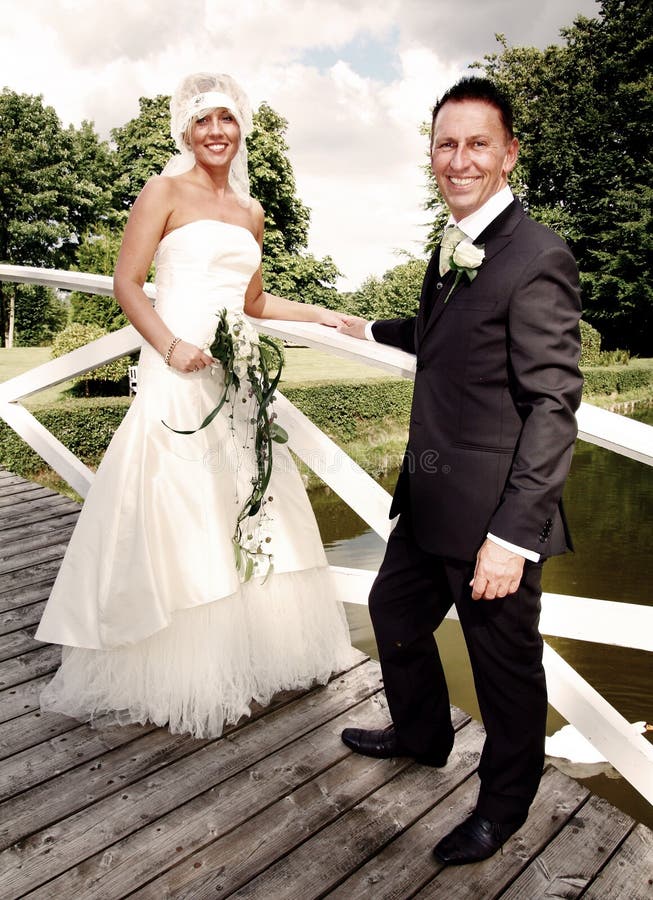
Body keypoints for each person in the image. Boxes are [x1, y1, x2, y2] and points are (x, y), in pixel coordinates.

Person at [35, 72, 356, 739]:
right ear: (185, 129)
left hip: (235, 378)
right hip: (178, 369)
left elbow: (254, 301)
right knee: (179, 504)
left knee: (245, 502)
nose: (216, 131)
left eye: (227, 119)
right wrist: (171, 346)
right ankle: (176, 666)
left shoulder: (252, 211)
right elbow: (128, 283)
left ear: (241, 129)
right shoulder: (163, 191)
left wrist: (323, 314)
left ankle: (246, 654)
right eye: (204, 120)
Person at [337, 76, 583, 865]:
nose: (459, 159)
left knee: (503, 672)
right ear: (431, 155)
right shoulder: (452, 247)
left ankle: (502, 809)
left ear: (508, 154)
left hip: (491, 520)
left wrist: (511, 538)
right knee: (392, 610)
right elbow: (443, 335)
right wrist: (364, 327)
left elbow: (552, 406)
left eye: (478, 143)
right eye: (445, 144)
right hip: (429, 497)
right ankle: (422, 736)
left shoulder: (537, 255)